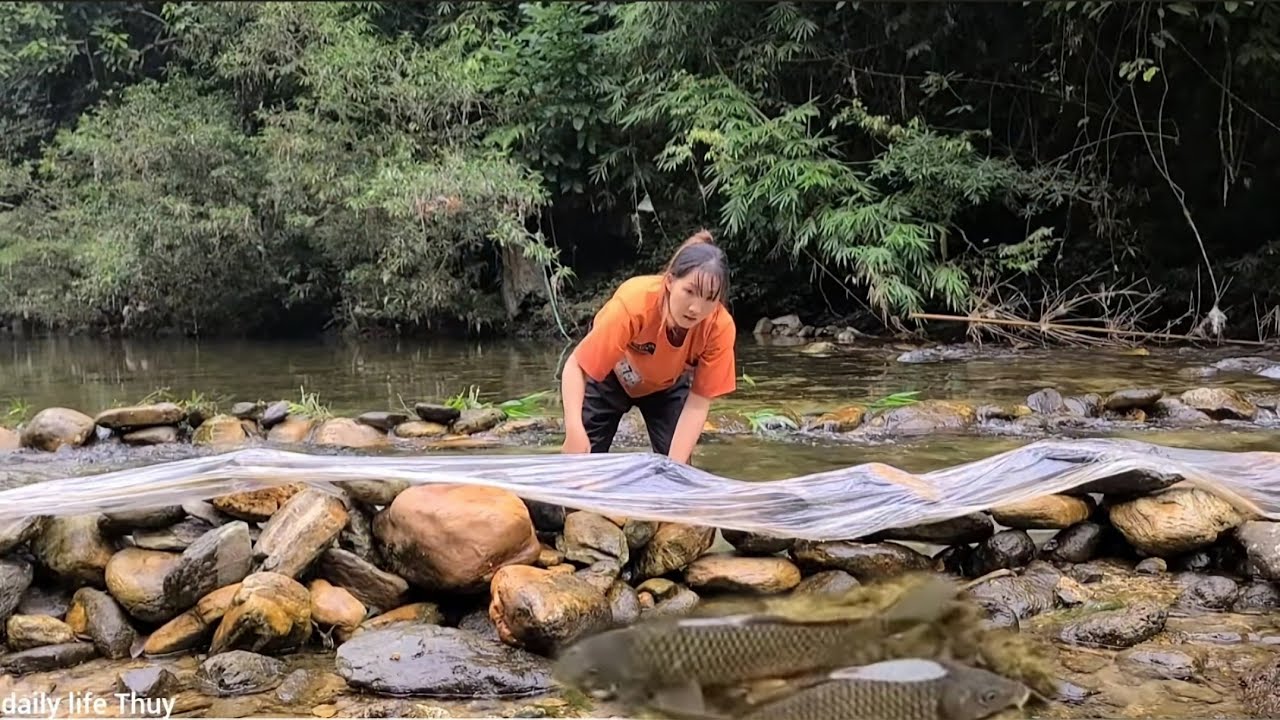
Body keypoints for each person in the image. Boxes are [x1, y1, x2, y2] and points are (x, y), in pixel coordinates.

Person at [559, 229, 737, 464]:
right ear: (671, 281)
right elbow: (577, 366)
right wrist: (573, 429)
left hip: (667, 386)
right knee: (581, 459)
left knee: (678, 470)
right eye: (690, 292)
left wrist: (676, 467)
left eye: (709, 299)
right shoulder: (634, 304)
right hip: (611, 377)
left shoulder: (719, 327)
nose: (696, 308)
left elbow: (698, 402)